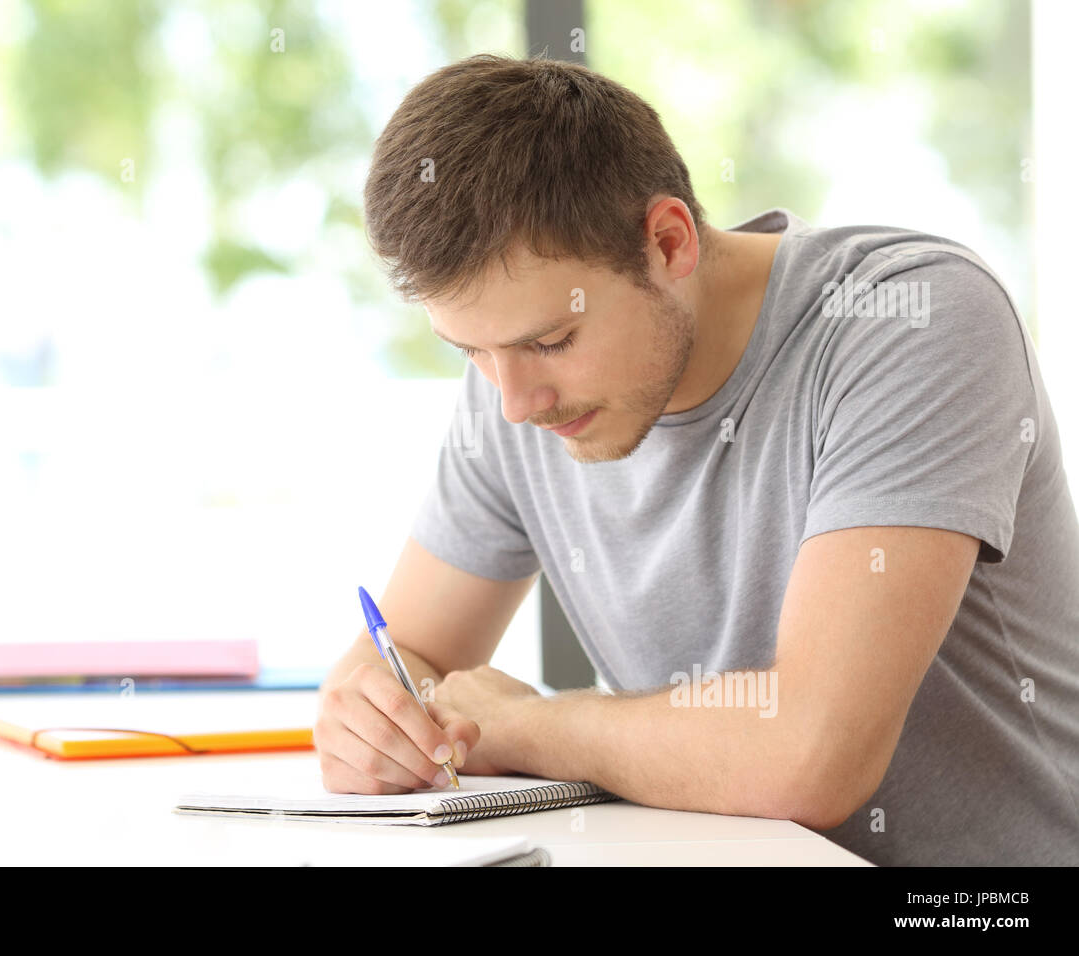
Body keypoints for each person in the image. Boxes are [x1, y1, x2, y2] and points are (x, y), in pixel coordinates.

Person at [315, 53, 1079, 866]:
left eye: (550, 341)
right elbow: (410, 657)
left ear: (669, 242)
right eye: (470, 351)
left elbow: (811, 755)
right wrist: (366, 716)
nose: (513, 404)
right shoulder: (519, 386)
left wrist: (526, 724)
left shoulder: (911, 321)